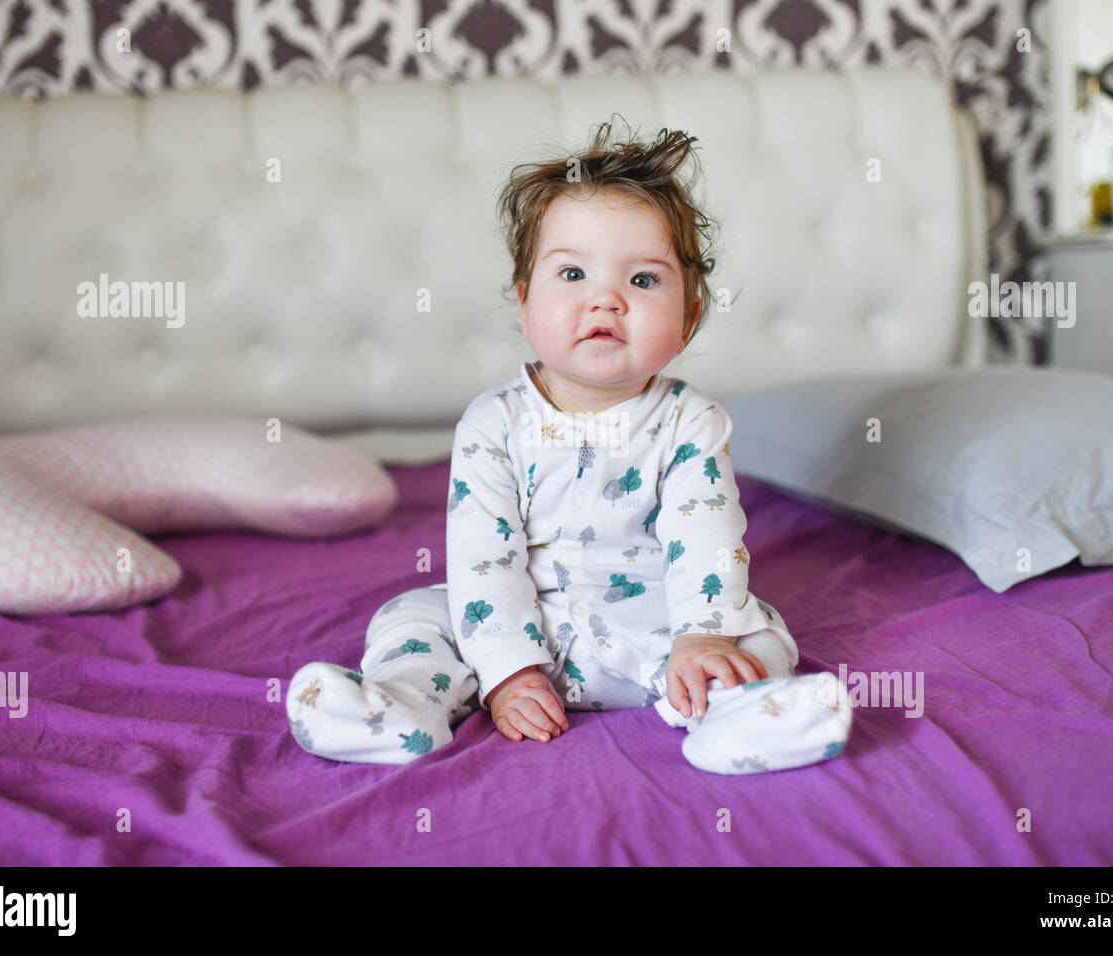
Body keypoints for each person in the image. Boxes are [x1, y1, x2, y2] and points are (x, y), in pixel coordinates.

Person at [286, 118, 851, 774]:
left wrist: (700, 635)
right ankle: (402, 706)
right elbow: (485, 560)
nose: (605, 300)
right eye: (573, 273)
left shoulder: (691, 421)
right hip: (526, 619)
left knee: (755, 630)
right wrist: (508, 672)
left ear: (689, 317)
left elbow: (708, 542)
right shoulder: (492, 423)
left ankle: (736, 718)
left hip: (658, 626)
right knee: (415, 614)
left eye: (643, 281)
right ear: (525, 305)